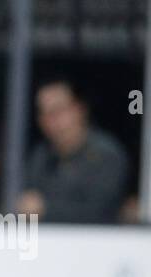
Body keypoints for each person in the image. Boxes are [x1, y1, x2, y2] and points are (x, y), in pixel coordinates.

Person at [17, 78, 129, 224]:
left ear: (80, 110)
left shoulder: (107, 156)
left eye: (58, 111)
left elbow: (101, 211)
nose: (51, 121)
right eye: (44, 113)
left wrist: (47, 209)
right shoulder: (40, 157)